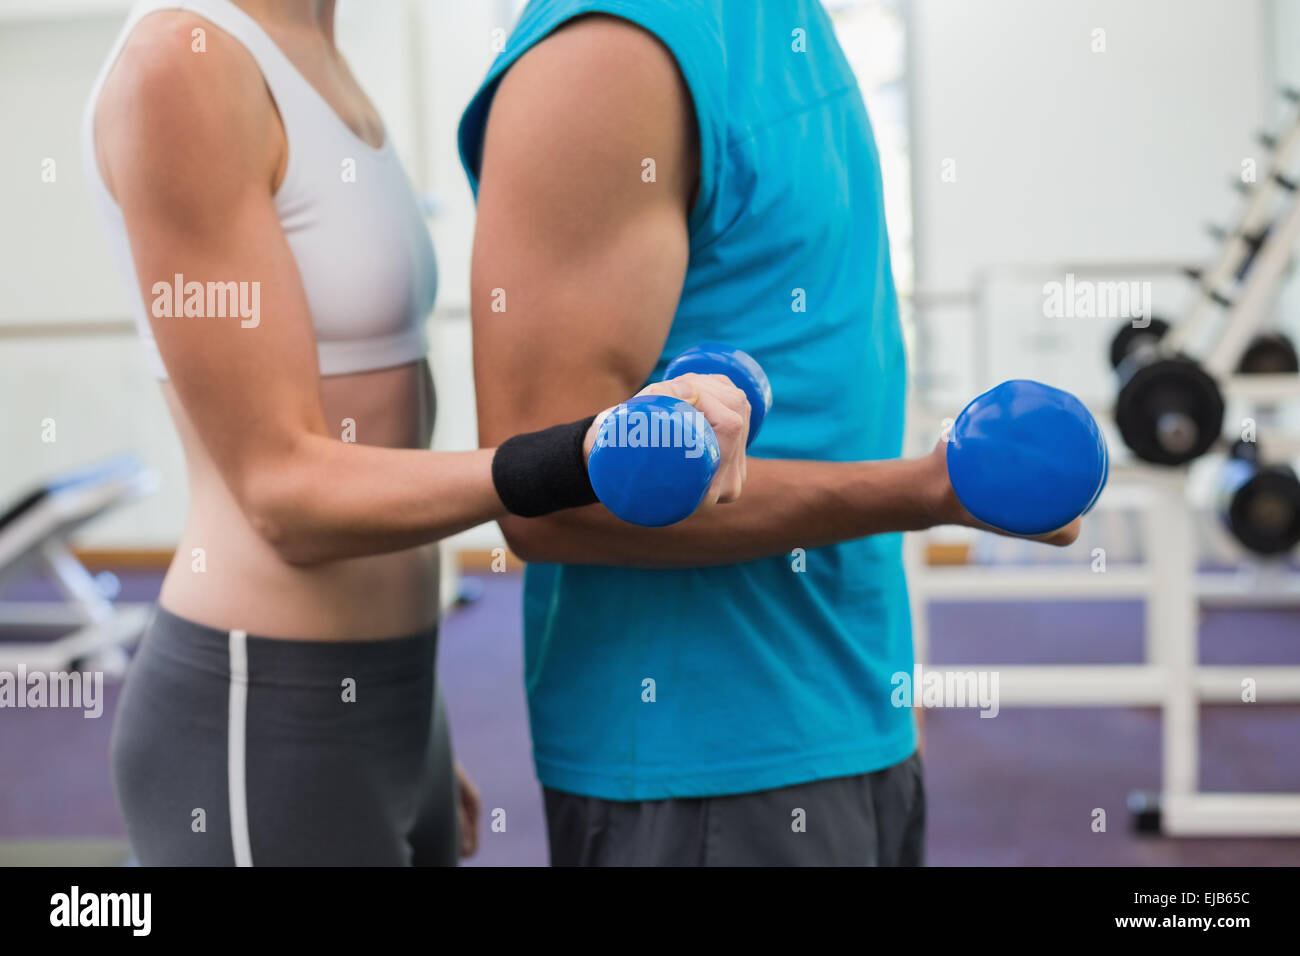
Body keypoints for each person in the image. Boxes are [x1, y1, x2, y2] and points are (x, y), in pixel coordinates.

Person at [82, 0, 749, 866]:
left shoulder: (321, 47)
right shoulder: (184, 58)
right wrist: (573, 457)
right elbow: (283, 496)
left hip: (392, 692)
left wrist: (411, 728)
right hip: (261, 703)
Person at [460, 0, 1079, 866]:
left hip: (848, 714)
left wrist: (882, 694)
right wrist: (928, 492)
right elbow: (547, 494)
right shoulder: (614, 49)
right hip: (707, 764)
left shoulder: (788, 21)